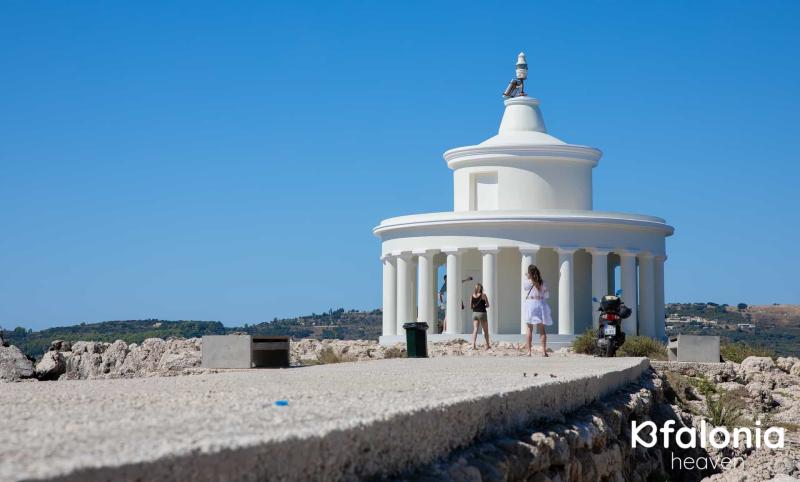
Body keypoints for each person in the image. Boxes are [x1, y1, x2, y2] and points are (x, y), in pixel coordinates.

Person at [523, 265, 552, 356]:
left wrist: (528, 278)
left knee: (529, 328)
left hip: (531, 304)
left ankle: (529, 352)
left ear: (529, 273)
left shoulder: (528, 282)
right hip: (540, 304)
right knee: (542, 329)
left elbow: (525, 288)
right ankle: (543, 351)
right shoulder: (543, 282)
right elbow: (546, 295)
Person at [470, 283, 490, 350]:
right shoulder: (483, 295)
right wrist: (483, 306)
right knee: (485, 331)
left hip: (475, 313)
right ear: (481, 288)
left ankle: (473, 345)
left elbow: (471, 307)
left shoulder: (472, 295)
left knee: (475, 329)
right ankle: (487, 345)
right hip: (482, 313)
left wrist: (476, 307)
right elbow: (488, 305)